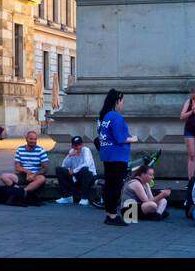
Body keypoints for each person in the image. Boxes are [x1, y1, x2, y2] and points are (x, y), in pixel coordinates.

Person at [96, 89, 137, 227]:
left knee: (109, 185)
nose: (123, 104)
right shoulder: (116, 117)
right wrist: (133, 139)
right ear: (117, 101)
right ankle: (113, 215)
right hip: (118, 156)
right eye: (122, 101)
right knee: (115, 186)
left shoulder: (105, 116)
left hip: (107, 155)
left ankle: (109, 214)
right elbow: (121, 138)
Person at [0, 130, 48, 200]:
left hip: (35, 175)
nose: (33, 141)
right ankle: (18, 190)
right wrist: (27, 171)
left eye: (35, 139)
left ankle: (23, 192)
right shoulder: (20, 149)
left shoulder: (40, 150)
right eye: (31, 139)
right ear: (26, 139)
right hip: (23, 175)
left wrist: (33, 175)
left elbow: (45, 168)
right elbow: (17, 167)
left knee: (42, 179)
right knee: (3, 177)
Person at [55, 136, 97, 205]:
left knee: (85, 169)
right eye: (75, 145)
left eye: (79, 145)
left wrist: (74, 171)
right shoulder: (72, 151)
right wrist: (70, 155)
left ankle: (84, 198)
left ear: (82, 145)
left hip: (89, 177)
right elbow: (64, 165)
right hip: (77, 177)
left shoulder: (86, 150)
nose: (77, 147)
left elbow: (87, 164)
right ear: (72, 146)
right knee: (59, 170)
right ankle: (67, 197)